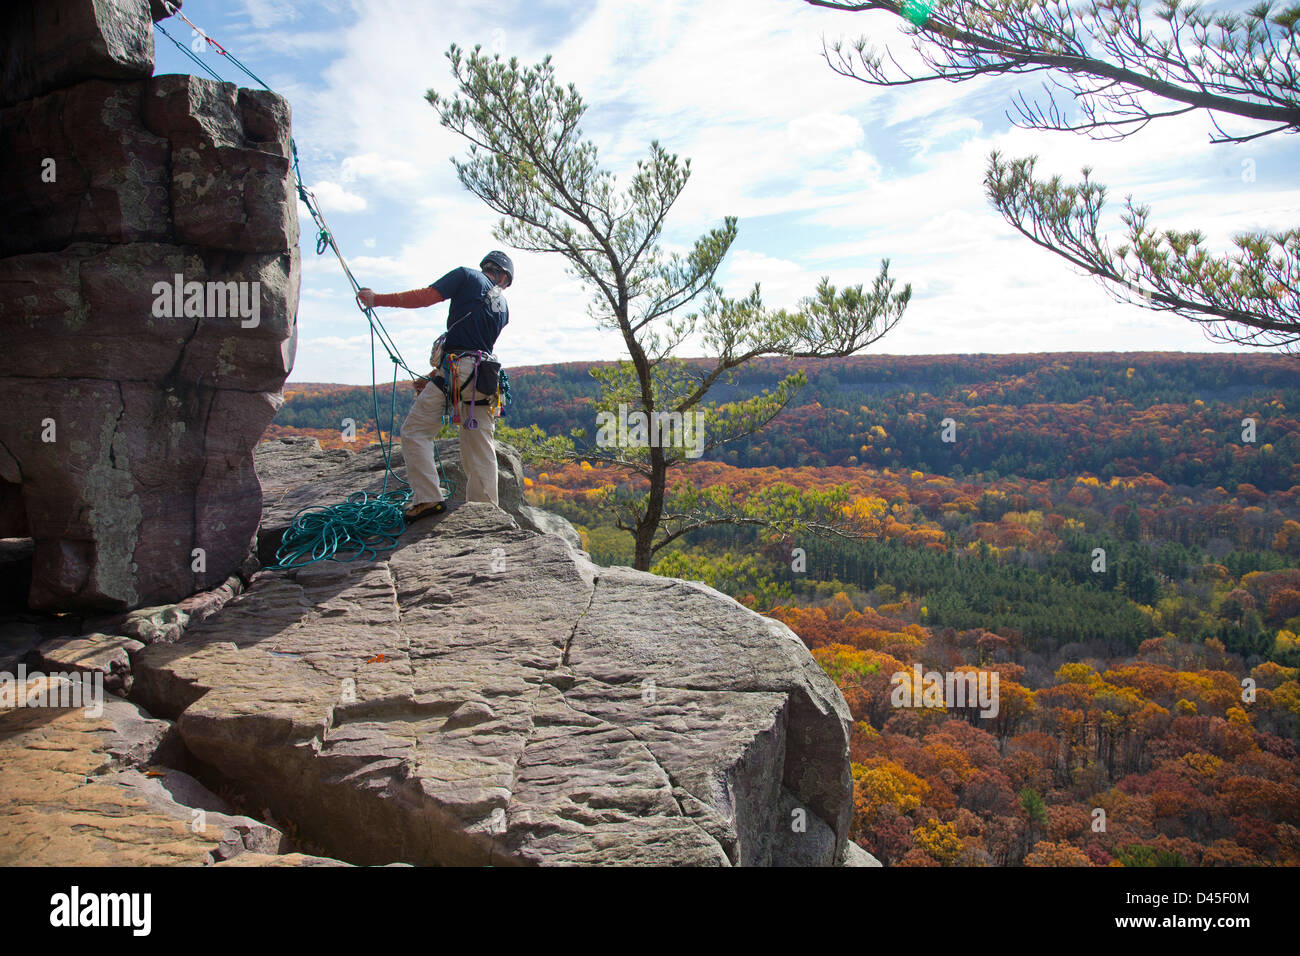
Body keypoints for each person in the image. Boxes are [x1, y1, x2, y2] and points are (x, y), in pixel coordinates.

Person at [356, 251, 513, 519]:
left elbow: (425, 297)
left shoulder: (466, 275)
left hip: (457, 371)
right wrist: (435, 375)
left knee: (415, 431)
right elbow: (474, 344)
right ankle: (486, 512)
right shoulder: (504, 307)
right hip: (485, 377)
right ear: (503, 277)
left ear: (487, 267)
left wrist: (376, 299)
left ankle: (428, 497)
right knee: (480, 445)